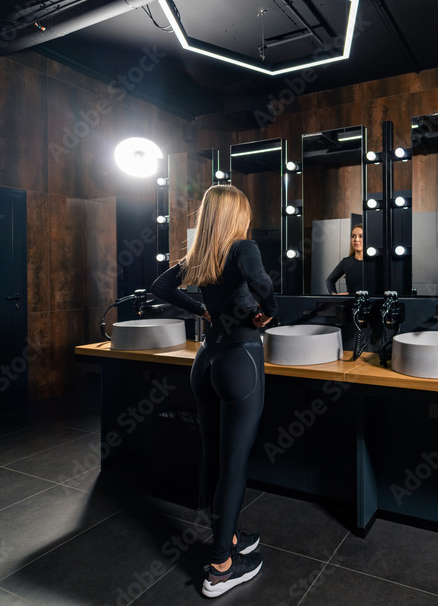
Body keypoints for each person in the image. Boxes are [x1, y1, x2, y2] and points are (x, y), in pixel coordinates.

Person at [151, 184, 276, 598]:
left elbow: (161, 288)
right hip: (240, 359)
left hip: (206, 360)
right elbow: (264, 285)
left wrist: (201, 309)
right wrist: (267, 314)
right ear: (237, 214)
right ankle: (221, 565)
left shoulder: (201, 255)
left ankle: (229, 534)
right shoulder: (243, 248)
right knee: (235, 463)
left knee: (213, 454)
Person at [325, 223, 364, 294]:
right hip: (351, 303)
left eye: (361, 236)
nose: (356, 239)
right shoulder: (346, 262)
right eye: (353, 236)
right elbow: (329, 280)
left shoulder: (375, 262)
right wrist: (334, 295)